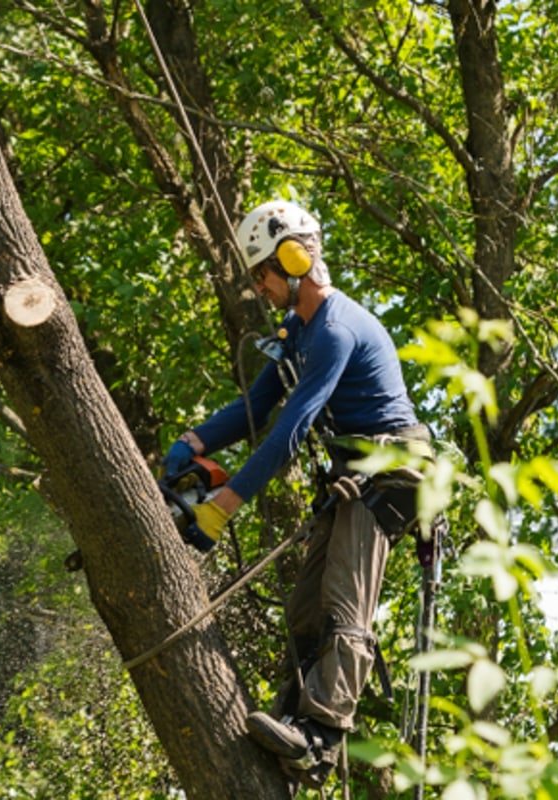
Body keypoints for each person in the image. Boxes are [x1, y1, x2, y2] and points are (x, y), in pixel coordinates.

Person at [162, 200, 430, 785]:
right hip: (351, 475)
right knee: (304, 606)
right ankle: (290, 720)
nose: (259, 287)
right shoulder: (299, 332)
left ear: (293, 258)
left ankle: (322, 737)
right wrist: (192, 442)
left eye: (262, 273)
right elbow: (257, 408)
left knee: (342, 603)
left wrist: (220, 510)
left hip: (391, 474)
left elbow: (288, 434)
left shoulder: (334, 329)